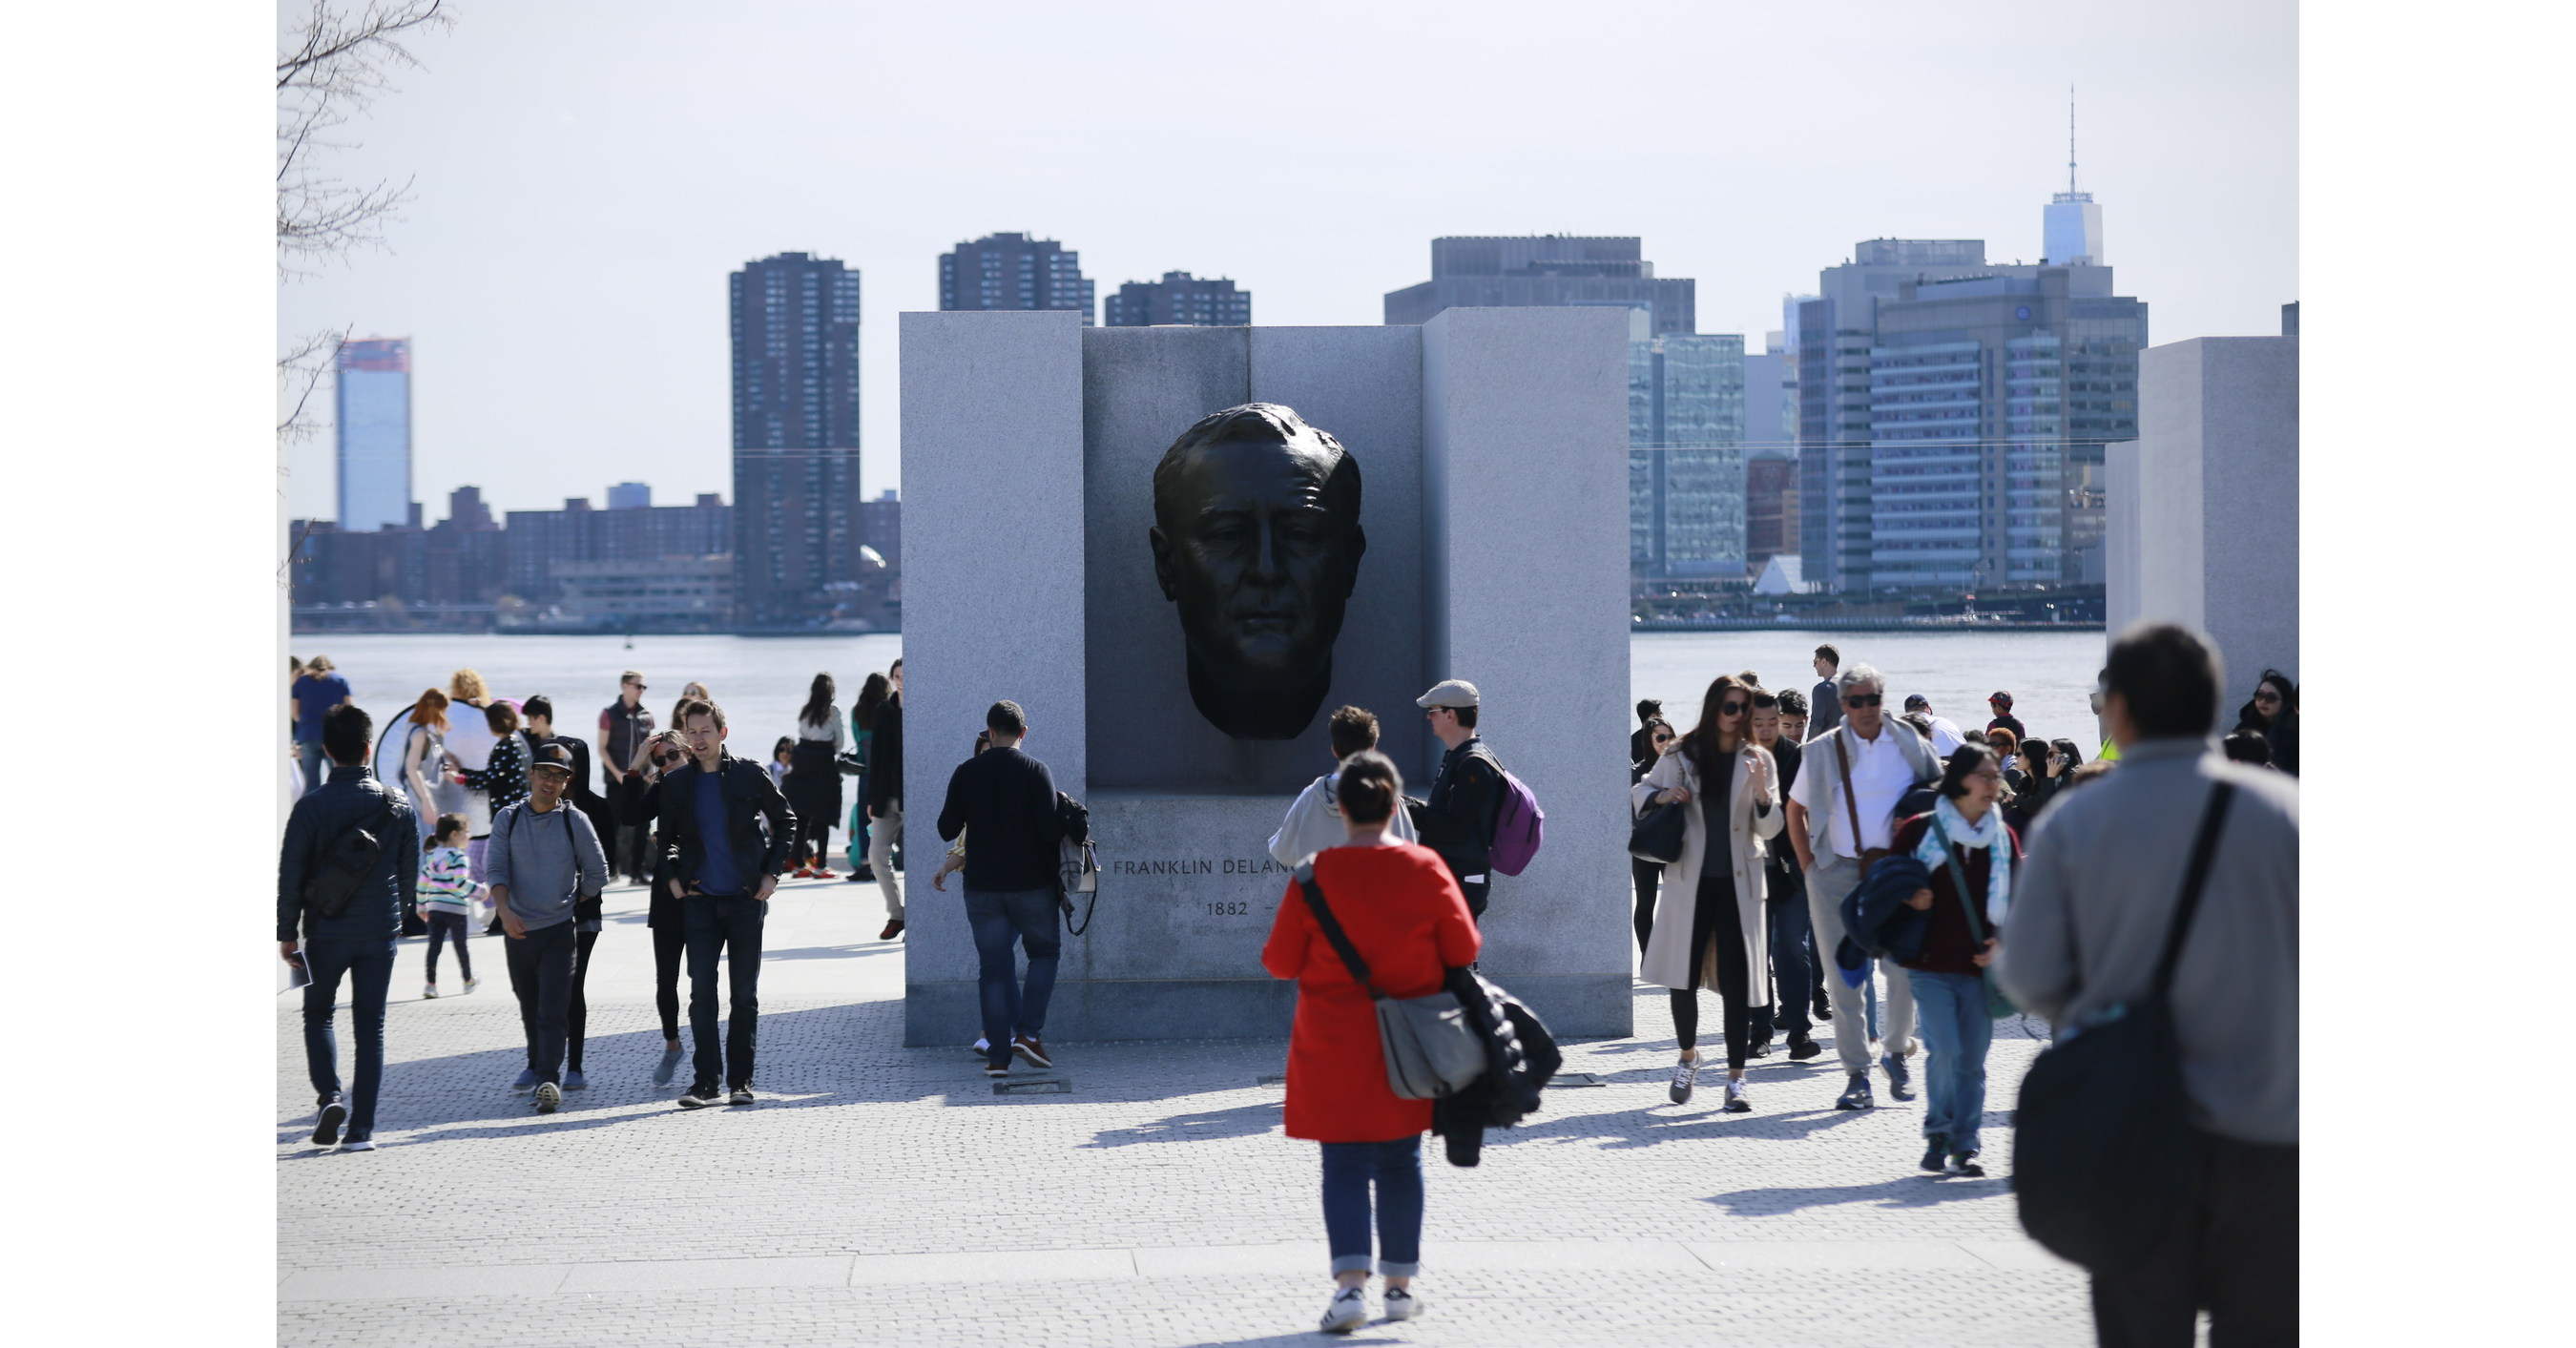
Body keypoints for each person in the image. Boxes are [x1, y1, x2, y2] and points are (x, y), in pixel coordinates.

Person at [1999, 622, 2299, 1346]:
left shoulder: (2077, 821)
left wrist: (2101, 1001)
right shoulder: (2288, 815)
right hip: (2275, 1138)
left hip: (2132, 1129)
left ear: (2121, 708)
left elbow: (2029, 975)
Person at [1260, 749, 1478, 1334]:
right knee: (1403, 1160)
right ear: (1392, 805)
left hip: (1332, 1045)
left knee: (1344, 1162)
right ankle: (1401, 1288)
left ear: (1344, 808)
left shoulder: (1311, 877)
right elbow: (1463, 951)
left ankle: (1350, 1291)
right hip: (1408, 1044)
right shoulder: (1426, 869)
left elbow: (1280, 963)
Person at [1785, 661, 1942, 1110]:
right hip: (1835, 872)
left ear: (1882, 700)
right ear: (1843, 705)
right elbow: (1794, 809)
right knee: (1843, 980)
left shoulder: (1907, 741)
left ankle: (1895, 1051)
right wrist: (1810, 865)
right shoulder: (1819, 751)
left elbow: (1939, 792)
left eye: (1874, 699)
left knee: (1902, 968)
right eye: (1857, 701)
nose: (1867, 708)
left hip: (1896, 872)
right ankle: (1857, 1074)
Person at [1633, 675, 1783, 1110]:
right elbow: (1639, 792)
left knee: (1738, 983)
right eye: (1730, 707)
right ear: (1714, 708)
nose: (1737, 716)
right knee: (1683, 977)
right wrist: (1664, 795)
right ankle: (1688, 1056)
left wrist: (1759, 792)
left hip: (1740, 885)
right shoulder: (1683, 752)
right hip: (1690, 882)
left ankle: (1737, 1078)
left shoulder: (1759, 760)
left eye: (1743, 709)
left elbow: (1771, 828)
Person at [278, 703, 419, 1152]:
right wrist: (395, 917)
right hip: (379, 931)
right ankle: (361, 1132)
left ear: (326, 749)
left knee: (319, 1015)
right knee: (370, 1027)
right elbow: (409, 874)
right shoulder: (397, 804)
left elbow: (291, 875)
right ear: (368, 747)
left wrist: (286, 933)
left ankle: (329, 1098)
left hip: (325, 931)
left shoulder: (311, 806)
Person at [651, 699, 796, 1108]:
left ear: (722, 734)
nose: (698, 739)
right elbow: (667, 837)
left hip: (746, 899)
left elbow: (785, 820)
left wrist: (772, 873)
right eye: (691, 732)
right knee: (701, 993)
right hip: (699, 902)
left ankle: (740, 1082)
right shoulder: (678, 783)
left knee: (744, 995)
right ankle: (705, 1083)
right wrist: (674, 879)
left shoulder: (749, 774)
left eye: (705, 731)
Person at [1892, 744, 2021, 1176]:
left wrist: (2001, 942)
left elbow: (2022, 902)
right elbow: (1887, 885)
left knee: (1972, 1062)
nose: (1994, 784)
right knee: (1943, 1049)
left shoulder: (2003, 837)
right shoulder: (1918, 831)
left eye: (1995, 777)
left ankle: (1966, 1145)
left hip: (1980, 969)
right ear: (1960, 780)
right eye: (1985, 776)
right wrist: (1911, 896)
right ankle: (1938, 1132)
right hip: (1929, 964)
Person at [936, 700, 1072, 1076]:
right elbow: (1050, 830)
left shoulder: (967, 771)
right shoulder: (1037, 771)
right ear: (1023, 734)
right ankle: (1028, 1035)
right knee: (1044, 954)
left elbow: (947, 828)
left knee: (994, 968)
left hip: (982, 887)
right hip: (1033, 884)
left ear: (990, 731)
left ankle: (998, 1058)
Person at [486, 743, 610, 1115]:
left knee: (554, 1009)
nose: (550, 781)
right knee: (529, 1006)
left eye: (559, 775)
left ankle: (547, 1079)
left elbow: (598, 871)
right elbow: (496, 870)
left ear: (567, 781)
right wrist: (504, 911)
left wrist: (571, 902)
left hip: (559, 930)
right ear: (531, 775)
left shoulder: (575, 820)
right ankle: (538, 1067)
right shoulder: (508, 818)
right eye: (545, 772)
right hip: (519, 930)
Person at [1749, 690, 1820, 1060]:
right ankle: (1759, 1030)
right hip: (1749, 872)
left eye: (1772, 723)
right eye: (1758, 723)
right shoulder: (1737, 758)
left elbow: (1800, 811)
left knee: (1793, 947)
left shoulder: (1795, 756)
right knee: (1756, 952)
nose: (1765, 730)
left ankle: (1798, 1031)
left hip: (1790, 869)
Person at [1270, 705, 1422, 869]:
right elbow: (1408, 855)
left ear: (1334, 750)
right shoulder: (1388, 799)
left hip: (1323, 891)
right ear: (1373, 749)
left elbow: (1281, 851)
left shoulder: (1311, 797)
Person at [627, 730, 693, 1086]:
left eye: (672, 756)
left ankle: (709, 1058)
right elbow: (631, 815)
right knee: (665, 980)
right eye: (660, 760)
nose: (667, 764)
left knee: (703, 980)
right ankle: (672, 1046)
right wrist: (637, 766)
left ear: (687, 752)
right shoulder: (663, 786)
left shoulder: (706, 782)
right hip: (666, 893)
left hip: (700, 892)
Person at [1409, 680, 1504, 922]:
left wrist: (1402, 806)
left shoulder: (1473, 765)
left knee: (1453, 960)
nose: (1429, 718)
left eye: (1433, 711)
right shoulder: (1460, 756)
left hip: (1459, 886)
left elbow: (1455, 829)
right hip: (1450, 882)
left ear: (1450, 715)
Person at [458, 700, 528, 889]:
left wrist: (461, 776)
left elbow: (491, 778)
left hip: (506, 814)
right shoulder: (518, 742)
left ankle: (501, 903)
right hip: (520, 811)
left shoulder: (505, 746)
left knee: (500, 862)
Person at [785, 674, 848, 879]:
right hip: (823, 767)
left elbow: (803, 734)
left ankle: (798, 864)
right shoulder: (832, 712)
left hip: (802, 766)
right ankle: (821, 865)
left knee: (801, 817)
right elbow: (839, 742)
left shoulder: (805, 712)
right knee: (823, 817)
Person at [597, 672, 657, 886]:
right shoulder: (609, 714)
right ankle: (610, 870)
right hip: (617, 780)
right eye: (637, 686)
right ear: (624, 686)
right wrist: (616, 773)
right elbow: (602, 749)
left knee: (643, 826)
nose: (640, 690)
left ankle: (637, 872)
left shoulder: (646, 714)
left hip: (641, 779)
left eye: (643, 687)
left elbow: (651, 748)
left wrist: (651, 769)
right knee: (612, 825)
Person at [417, 813, 483, 1000]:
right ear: (454, 834)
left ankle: (430, 985)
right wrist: (482, 891)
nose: (468, 836)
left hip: (435, 908)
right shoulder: (459, 857)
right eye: (466, 832)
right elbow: (461, 883)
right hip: (457, 909)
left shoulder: (431, 857)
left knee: (434, 947)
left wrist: (421, 906)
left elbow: (422, 884)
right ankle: (468, 981)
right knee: (461, 946)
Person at [441, 670, 501, 875]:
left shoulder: (448, 715)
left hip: (456, 787)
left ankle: (462, 890)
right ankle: (485, 897)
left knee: (459, 842)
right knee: (484, 845)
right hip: (487, 791)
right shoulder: (487, 716)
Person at [865, 659, 906, 940]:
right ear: (892, 679)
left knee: (916, 858)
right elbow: (876, 756)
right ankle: (898, 914)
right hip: (886, 795)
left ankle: (918, 915)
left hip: (913, 793)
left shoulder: (923, 706)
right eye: (897, 676)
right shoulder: (884, 709)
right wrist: (872, 796)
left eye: (906, 676)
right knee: (876, 855)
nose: (902, 681)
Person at [1629, 715, 1676, 957]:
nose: (1666, 742)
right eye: (1660, 737)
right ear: (1649, 741)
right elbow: (1633, 812)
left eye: (1670, 736)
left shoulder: (1682, 769)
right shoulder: (1637, 773)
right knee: (1646, 904)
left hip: (1674, 850)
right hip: (1645, 849)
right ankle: (1649, 958)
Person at [847, 671, 893, 882]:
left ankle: (866, 862)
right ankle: (883, 861)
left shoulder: (858, 712)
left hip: (865, 772)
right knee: (887, 817)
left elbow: (857, 740)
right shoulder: (891, 710)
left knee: (864, 817)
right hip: (888, 772)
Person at [289, 654, 353, 794]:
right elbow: (349, 713)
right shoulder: (341, 680)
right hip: (334, 737)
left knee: (311, 784)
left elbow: (295, 714)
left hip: (308, 736)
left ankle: (311, 814)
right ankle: (337, 812)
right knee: (338, 781)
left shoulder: (300, 682)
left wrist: (307, 724)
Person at [399, 689, 453, 850]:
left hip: (418, 796)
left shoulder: (415, 729)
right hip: (420, 798)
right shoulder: (420, 734)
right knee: (425, 848)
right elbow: (412, 769)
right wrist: (427, 801)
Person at [2233, 670, 2299, 777]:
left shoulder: (2293, 732)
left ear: (2285, 701)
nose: (2263, 701)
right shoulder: (2245, 729)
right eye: (2259, 695)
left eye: (2271, 698)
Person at [1902, 695, 1966, 756]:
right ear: (1929, 709)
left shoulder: (1907, 726)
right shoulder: (1946, 721)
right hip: (1967, 759)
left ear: (1907, 713)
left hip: (1938, 761)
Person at [1808, 645, 1843, 737]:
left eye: (1815, 662)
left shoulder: (1821, 689)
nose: (1814, 666)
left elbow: (1816, 724)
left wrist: (1808, 748)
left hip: (1828, 747)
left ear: (1824, 662)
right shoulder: (1849, 685)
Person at [1630, 698, 1666, 771]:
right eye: (1660, 714)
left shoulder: (1631, 740)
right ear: (1652, 716)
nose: (1662, 718)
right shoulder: (1661, 740)